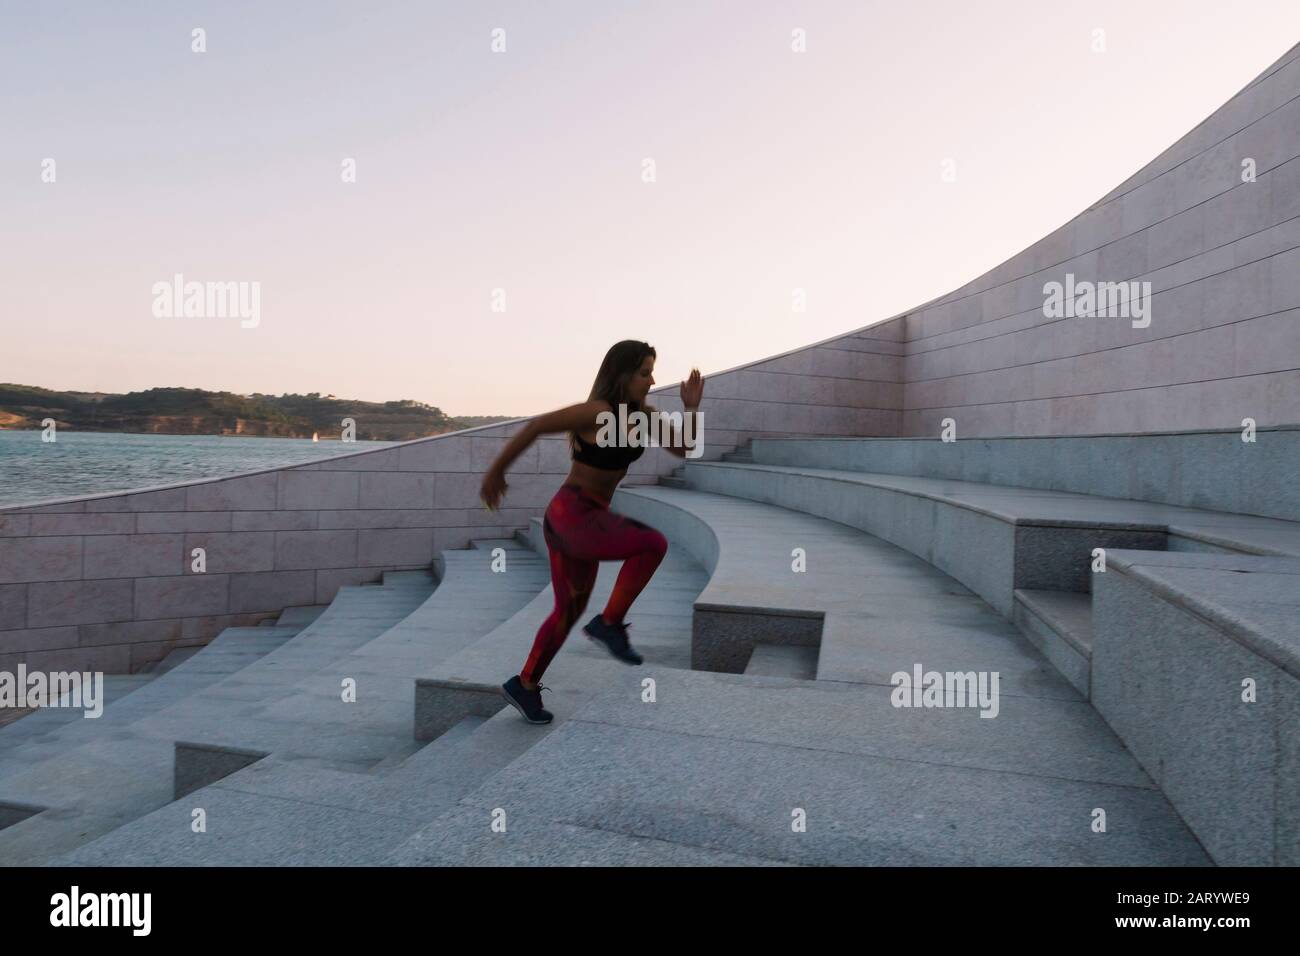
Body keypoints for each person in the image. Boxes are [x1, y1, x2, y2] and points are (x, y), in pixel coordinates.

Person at [479, 340, 704, 724]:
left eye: (652, 372)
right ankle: (609, 624)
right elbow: (536, 426)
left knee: (567, 612)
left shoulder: (643, 417)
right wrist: (496, 472)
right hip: (573, 514)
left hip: (585, 519)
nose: (651, 381)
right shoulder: (596, 412)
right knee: (652, 543)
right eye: (644, 372)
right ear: (621, 374)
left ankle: (525, 684)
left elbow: (686, 448)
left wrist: (691, 407)